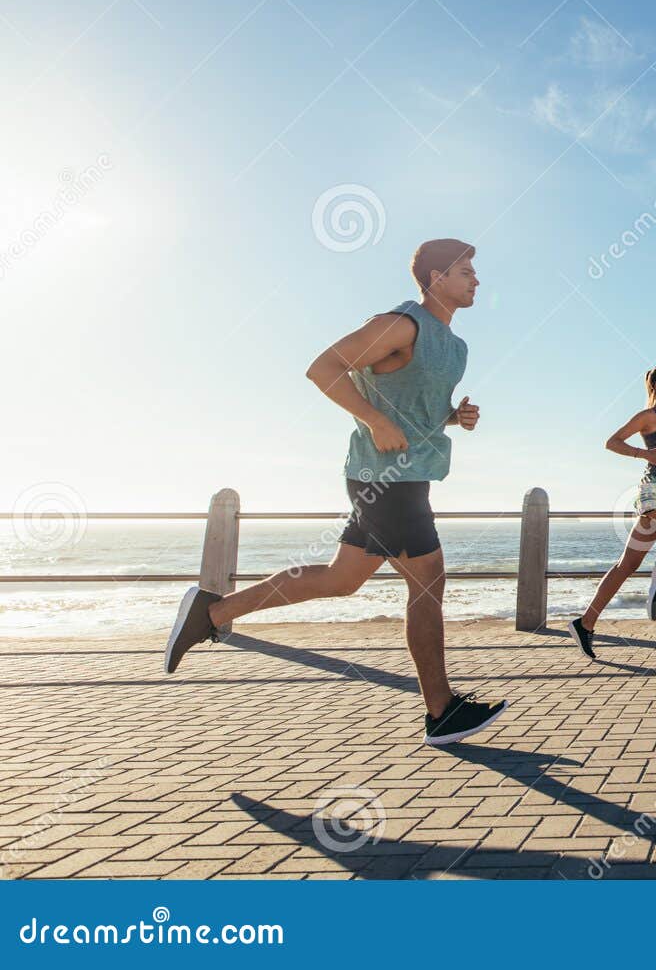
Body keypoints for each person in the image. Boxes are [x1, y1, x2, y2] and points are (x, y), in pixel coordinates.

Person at [163, 239, 507, 747]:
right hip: (383, 478)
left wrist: (454, 416)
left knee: (341, 579)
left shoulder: (454, 346)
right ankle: (441, 711)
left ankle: (210, 613)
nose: (476, 279)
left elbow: (416, 405)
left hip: (409, 476)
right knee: (429, 581)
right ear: (435, 278)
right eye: (465, 271)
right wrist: (372, 418)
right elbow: (324, 367)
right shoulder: (400, 324)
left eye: (474, 271)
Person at [567, 364, 656, 658]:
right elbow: (612, 442)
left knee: (626, 565)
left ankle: (585, 623)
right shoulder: (649, 416)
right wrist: (643, 454)